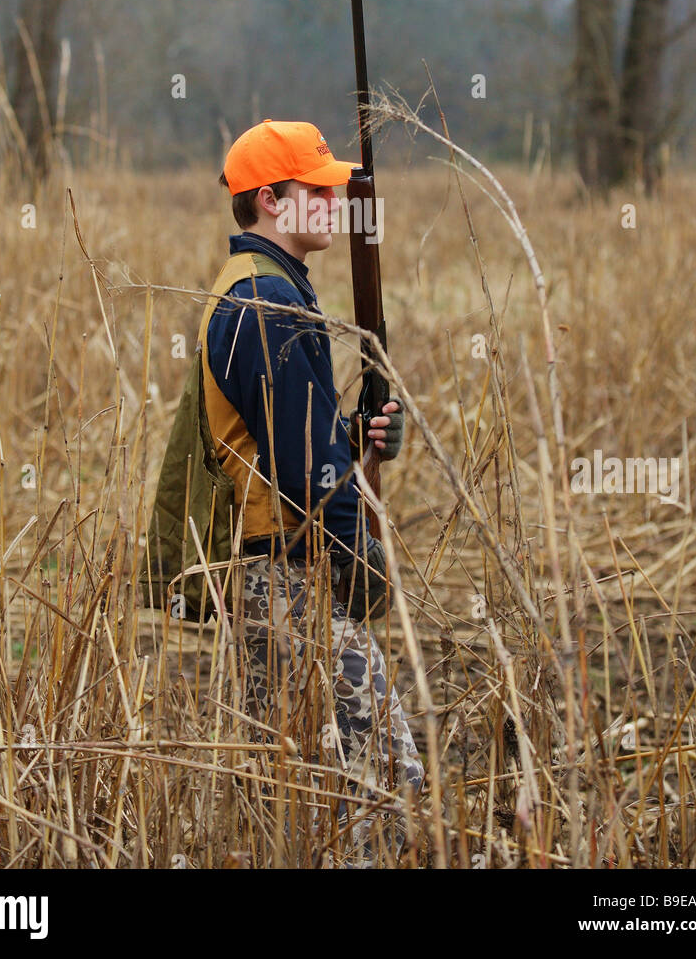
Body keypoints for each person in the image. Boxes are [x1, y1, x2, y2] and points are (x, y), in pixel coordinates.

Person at [204, 118, 424, 864]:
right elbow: (300, 468)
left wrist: (356, 432)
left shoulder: (263, 289)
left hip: (288, 567)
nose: (335, 203)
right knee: (365, 789)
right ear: (271, 200)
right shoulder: (266, 301)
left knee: (352, 780)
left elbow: (298, 434)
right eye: (319, 190)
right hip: (290, 574)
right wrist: (356, 550)